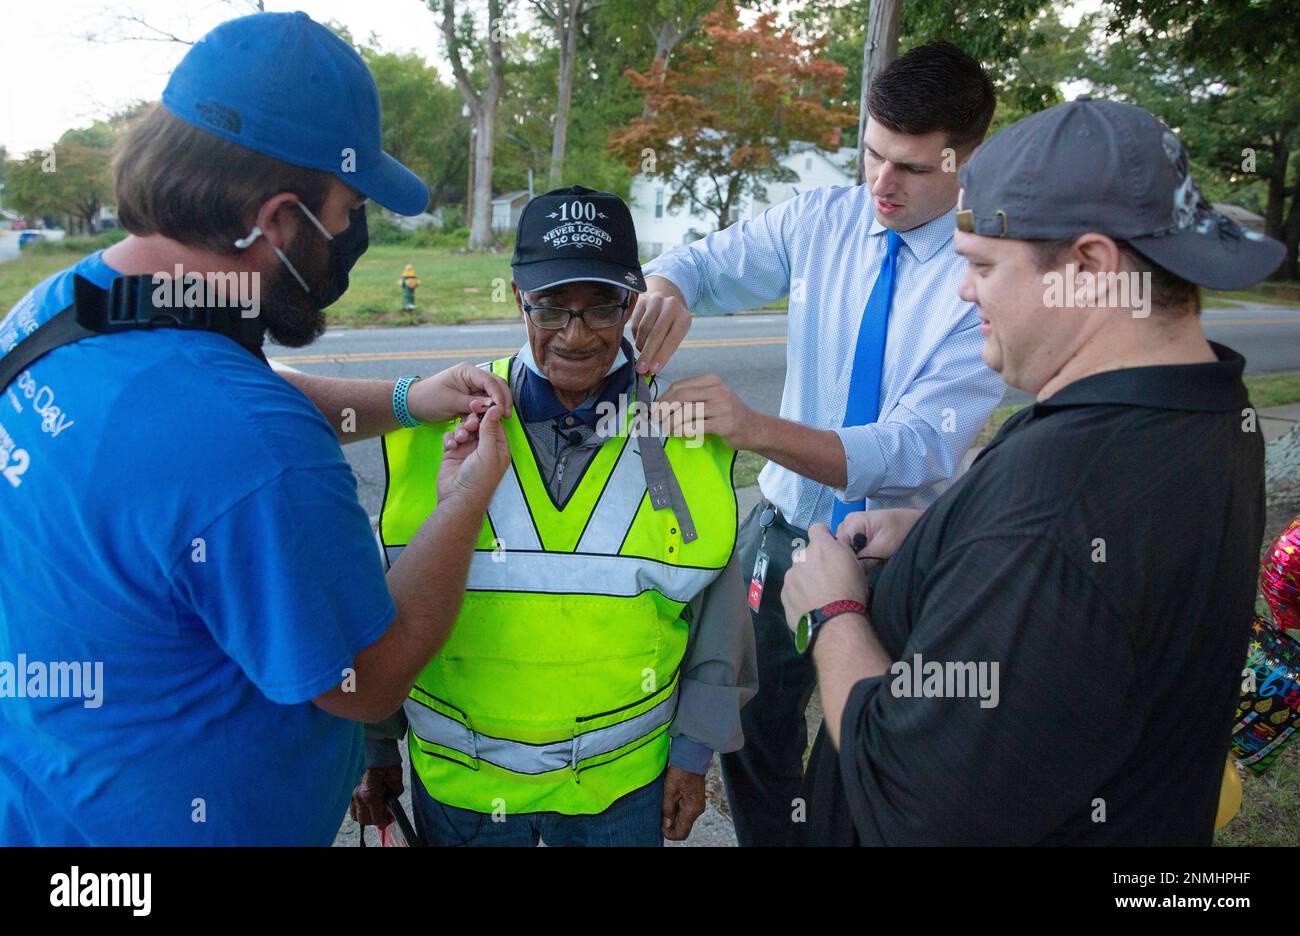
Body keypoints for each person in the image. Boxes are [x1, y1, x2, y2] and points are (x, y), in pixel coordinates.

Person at [0, 12, 514, 845]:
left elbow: (208, 420)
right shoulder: (257, 449)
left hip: (50, 809)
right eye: (347, 210)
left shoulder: (68, 305)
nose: (350, 234)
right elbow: (366, 680)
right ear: (277, 220)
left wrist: (407, 398)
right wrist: (465, 498)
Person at [780, 97, 1284, 845]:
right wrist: (948, 538)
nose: (964, 290)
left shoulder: (1054, 511)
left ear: (1087, 269)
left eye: (982, 265)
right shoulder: (1209, 410)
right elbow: (1102, 591)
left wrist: (830, 618)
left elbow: (912, 809)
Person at [638, 41, 1006, 845]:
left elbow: (914, 445)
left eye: (910, 167)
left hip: (900, 550)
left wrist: (755, 428)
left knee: (873, 739)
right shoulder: (820, 219)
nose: (881, 184)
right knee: (754, 722)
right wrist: (668, 285)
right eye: (872, 153)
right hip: (780, 534)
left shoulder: (984, 274)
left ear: (965, 158)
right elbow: (703, 261)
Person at [350, 187, 757, 846]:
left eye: (600, 307)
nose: (576, 334)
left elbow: (717, 621)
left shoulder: (688, 433)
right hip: (462, 792)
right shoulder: (430, 427)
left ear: (633, 302)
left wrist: (690, 759)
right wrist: (373, 751)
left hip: (619, 795)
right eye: (551, 307)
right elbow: (379, 605)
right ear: (517, 298)